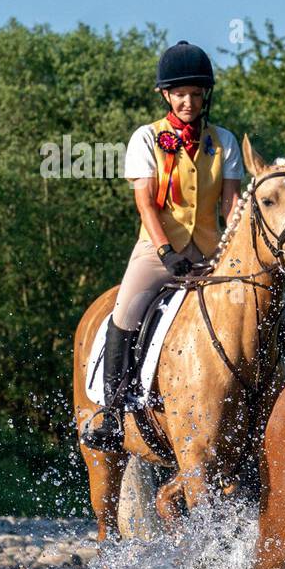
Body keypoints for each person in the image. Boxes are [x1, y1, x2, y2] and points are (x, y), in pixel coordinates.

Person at [80, 41, 243, 451]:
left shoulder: (223, 141)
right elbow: (145, 203)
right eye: (180, 94)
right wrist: (166, 251)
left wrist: (235, 251)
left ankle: (273, 402)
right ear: (166, 96)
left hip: (210, 252)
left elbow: (231, 205)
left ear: (206, 94)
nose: (188, 101)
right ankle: (113, 413)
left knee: (277, 310)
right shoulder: (146, 138)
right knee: (125, 313)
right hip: (157, 251)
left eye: (195, 93)